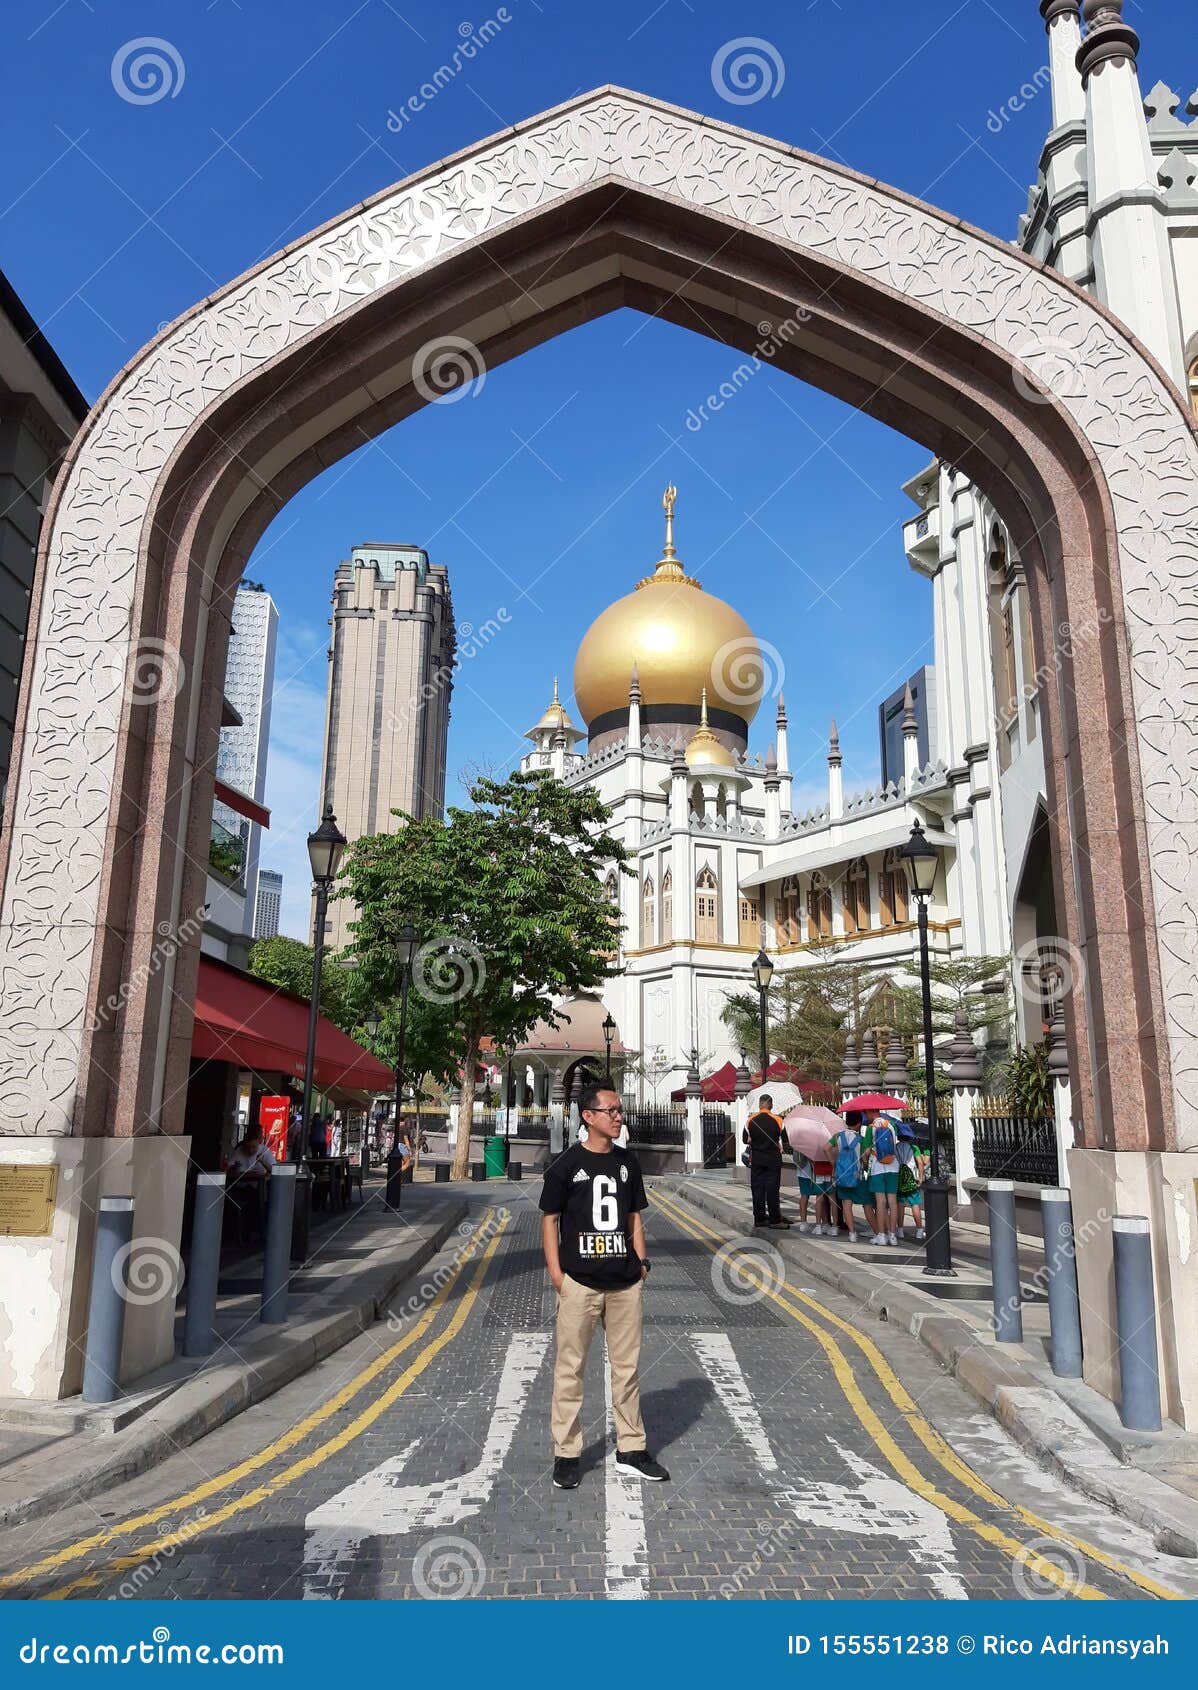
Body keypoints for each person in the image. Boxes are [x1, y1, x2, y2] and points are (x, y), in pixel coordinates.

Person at [539, 1082, 669, 1492]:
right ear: (588, 1116)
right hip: (580, 1284)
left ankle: (632, 1449)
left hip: (625, 1283)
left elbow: (634, 1218)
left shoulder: (628, 1163)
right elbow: (549, 1221)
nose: (619, 1116)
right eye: (610, 1110)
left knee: (627, 1371)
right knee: (570, 1370)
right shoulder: (564, 1166)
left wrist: (642, 1264)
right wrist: (558, 1276)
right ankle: (567, 1454)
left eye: (619, 1110)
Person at [743, 1093, 792, 1230]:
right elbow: (786, 1142)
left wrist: (754, 1141)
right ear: (771, 1105)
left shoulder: (750, 1120)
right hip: (773, 1159)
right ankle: (775, 1220)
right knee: (772, 1189)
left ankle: (759, 1219)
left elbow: (745, 1139)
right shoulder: (778, 1120)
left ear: (760, 1105)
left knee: (757, 1189)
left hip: (757, 1159)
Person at [829, 1110, 871, 1240]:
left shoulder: (838, 1136)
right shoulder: (862, 1140)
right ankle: (877, 1231)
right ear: (859, 1123)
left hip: (842, 1176)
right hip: (857, 1176)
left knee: (846, 1205)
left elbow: (826, 1148)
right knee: (867, 1204)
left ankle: (852, 1233)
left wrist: (834, 1165)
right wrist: (865, 1166)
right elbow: (865, 1159)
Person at [864, 1109, 901, 1246]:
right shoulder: (892, 1125)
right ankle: (892, 1235)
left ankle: (881, 1235)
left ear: (870, 1112)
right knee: (892, 1201)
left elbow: (867, 1150)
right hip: (893, 1166)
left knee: (880, 1202)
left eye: (866, 1113)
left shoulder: (870, 1128)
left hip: (877, 1167)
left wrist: (864, 1160)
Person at [795, 1150, 835, 1236]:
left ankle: (804, 1223)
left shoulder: (800, 1138)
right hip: (814, 1170)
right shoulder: (815, 1138)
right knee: (821, 1195)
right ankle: (824, 1223)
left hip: (805, 1170)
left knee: (806, 1195)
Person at [897, 1133, 928, 1241]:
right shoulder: (914, 1148)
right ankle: (919, 1230)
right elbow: (920, 1163)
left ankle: (900, 1230)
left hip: (900, 1178)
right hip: (911, 1177)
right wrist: (920, 1177)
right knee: (915, 1203)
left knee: (900, 1204)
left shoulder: (896, 1147)